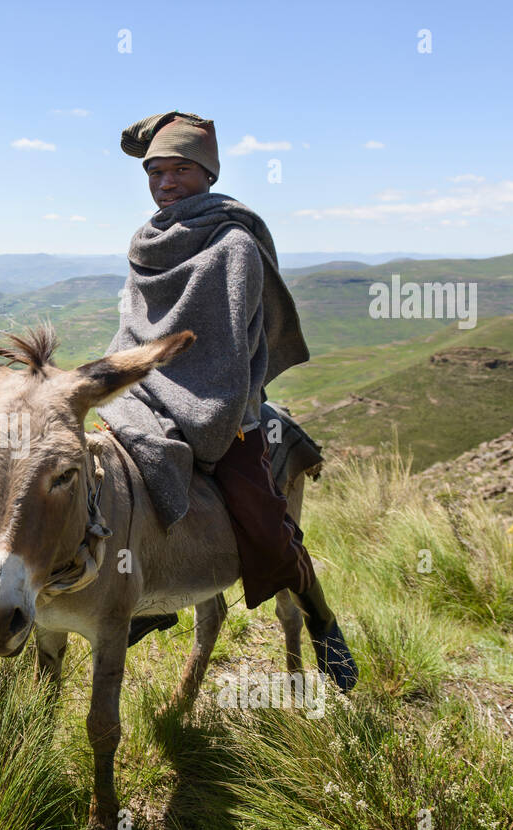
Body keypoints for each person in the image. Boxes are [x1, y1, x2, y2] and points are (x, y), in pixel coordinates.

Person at [97, 110, 357, 691]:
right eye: (156, 171)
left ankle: (322, 621)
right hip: (144, 396)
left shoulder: (233, 242)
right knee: (111, 495)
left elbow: (229, 343)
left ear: (208, 174)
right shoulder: (147, 241)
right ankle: (153, 598)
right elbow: (139, 328)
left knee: (268, 527)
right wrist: (111, 375)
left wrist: (205, 409)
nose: (166, 182)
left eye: (181, 170)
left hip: (221, 404)